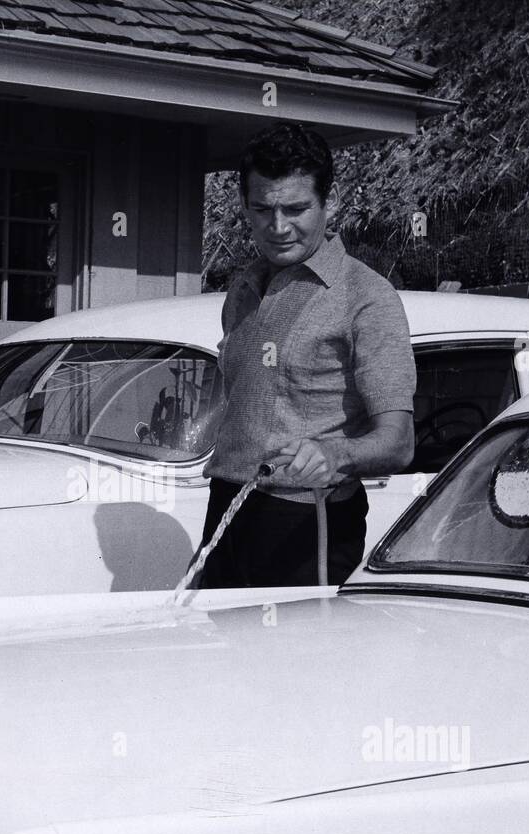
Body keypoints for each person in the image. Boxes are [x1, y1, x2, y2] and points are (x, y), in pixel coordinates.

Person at [196, 122, 416, 588]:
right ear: (246, 207)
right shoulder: (241, 290)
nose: (278, 228)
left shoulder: (367, 298)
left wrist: (334, 454)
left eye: (296, 209)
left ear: (328, 203)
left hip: (307, 523)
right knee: (219, 661)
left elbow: (399, 442)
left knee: (293, 663)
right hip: (227, 508)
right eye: (263, 210)